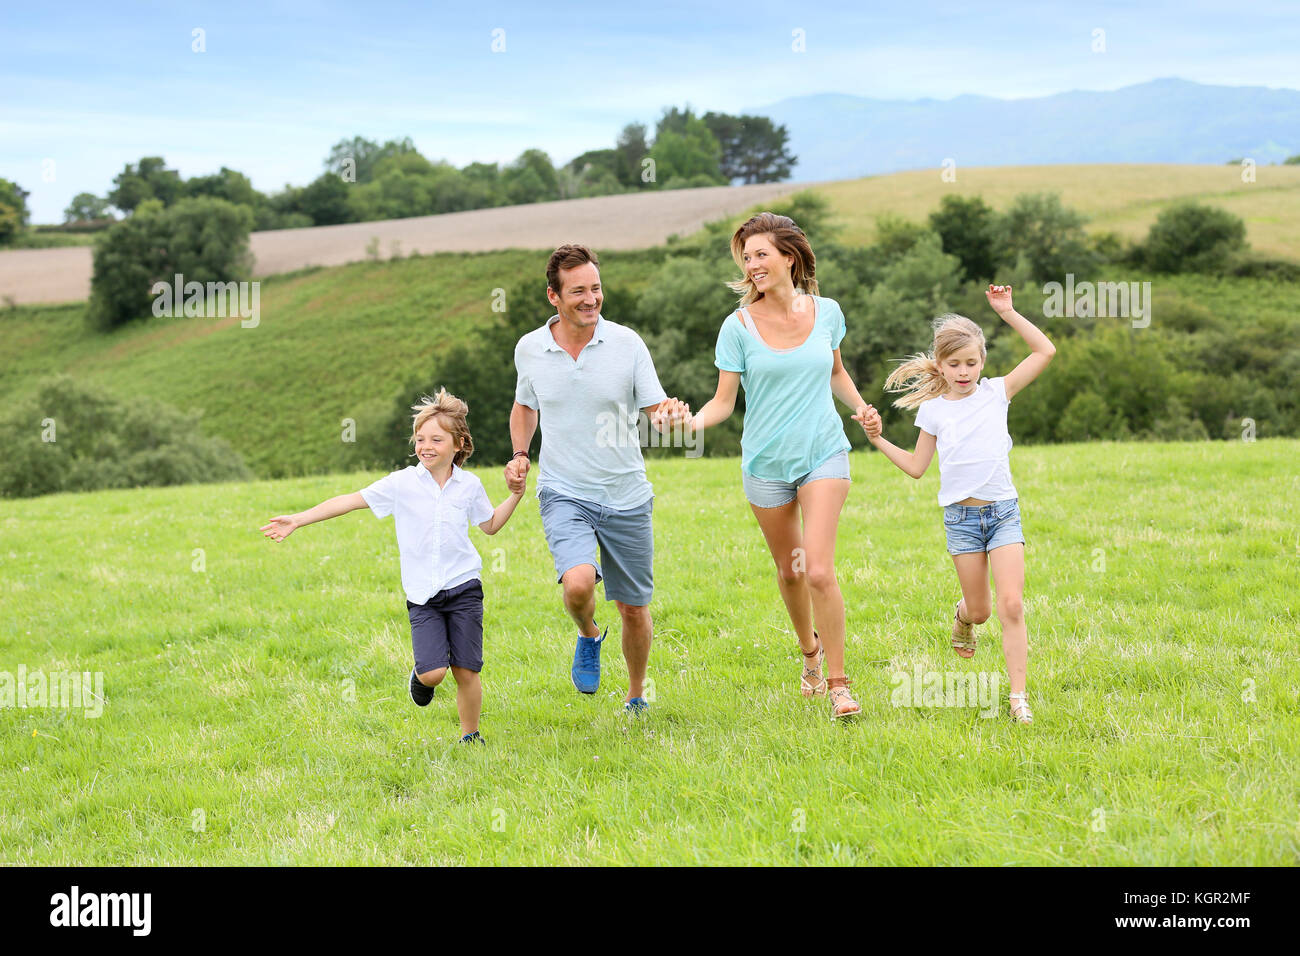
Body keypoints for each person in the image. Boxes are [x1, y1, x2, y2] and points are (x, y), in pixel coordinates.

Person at [686, 212, 877, 720]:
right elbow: (724, 402)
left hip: (823, 451)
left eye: (761, 254)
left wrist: (860, 410)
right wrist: (693, 424)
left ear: (789, 257)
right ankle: (809, 656)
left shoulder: (828, 311)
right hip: (766, 462)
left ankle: (839, 684)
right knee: (790, 572)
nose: (752, 265)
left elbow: (836, 371)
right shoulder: (738, 326)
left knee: (817, 568)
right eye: (746, 258)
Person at [260, 389, 523, 743]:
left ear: (459, 444)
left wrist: (516, 495)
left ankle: (471, 736)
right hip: (422, 594)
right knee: (434, 675)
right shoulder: (401, 484)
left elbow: (489, 525)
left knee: (467, 670)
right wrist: (298, 519)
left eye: (436, 439)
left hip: (464, 587)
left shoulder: (469, 486)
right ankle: (420, 675)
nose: (425, 446)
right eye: (420, 439)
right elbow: (350, 501)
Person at [859, 284, 1056, 724]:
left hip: (1003, 512)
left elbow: (1045, 351)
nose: (964, 371)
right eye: (954, 364)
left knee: (1011, 605)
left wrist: (1007, 312)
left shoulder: (996, 393)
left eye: (971, 362)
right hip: (962, 521)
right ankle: (963, 617)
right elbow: (915, 467)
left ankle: (1018, 697)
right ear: (940, 365)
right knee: (982, 610)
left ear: (983, 361)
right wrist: (876, 439)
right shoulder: (933, 411)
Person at [505, 243, 688, 715]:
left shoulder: (627, 344)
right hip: (564, 490)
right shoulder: (531, 348)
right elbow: (526, 405)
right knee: (579, 585)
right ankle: (588, 634)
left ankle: (635, 693)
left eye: (596, 288)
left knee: (632, 607)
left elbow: (655, 408)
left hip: (626, 492)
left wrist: (669, 416)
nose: (590, 299)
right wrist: (521, 452)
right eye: (578, 291)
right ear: (554, 296)